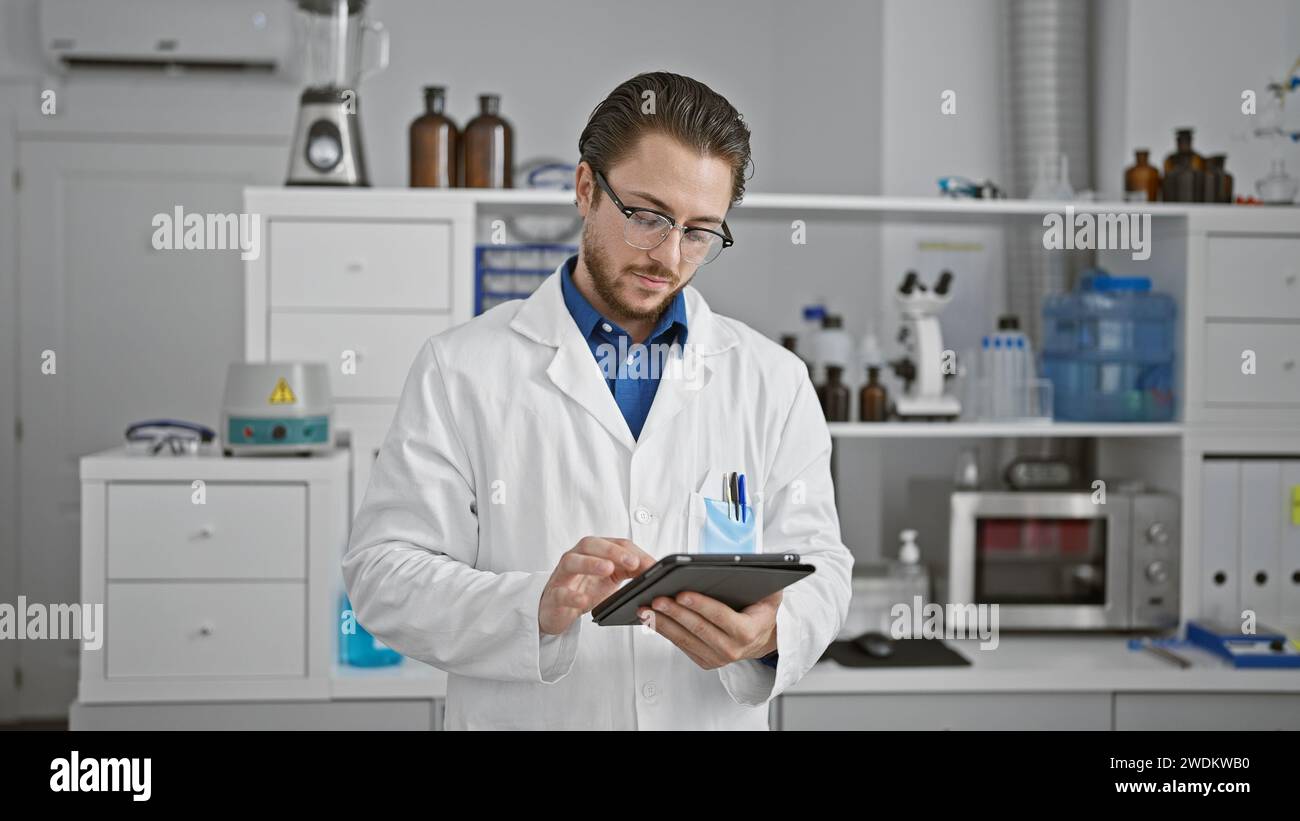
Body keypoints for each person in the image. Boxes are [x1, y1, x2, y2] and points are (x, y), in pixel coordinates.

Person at [343, 71, 852, 730]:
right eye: (646, 216)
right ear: (586, 189)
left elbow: (824, 563)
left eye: (700, 231)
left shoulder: (773, 379)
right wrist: (533, 606)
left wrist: (771, 630)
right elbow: (383, 572)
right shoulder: (461, 368)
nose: (668, 255)